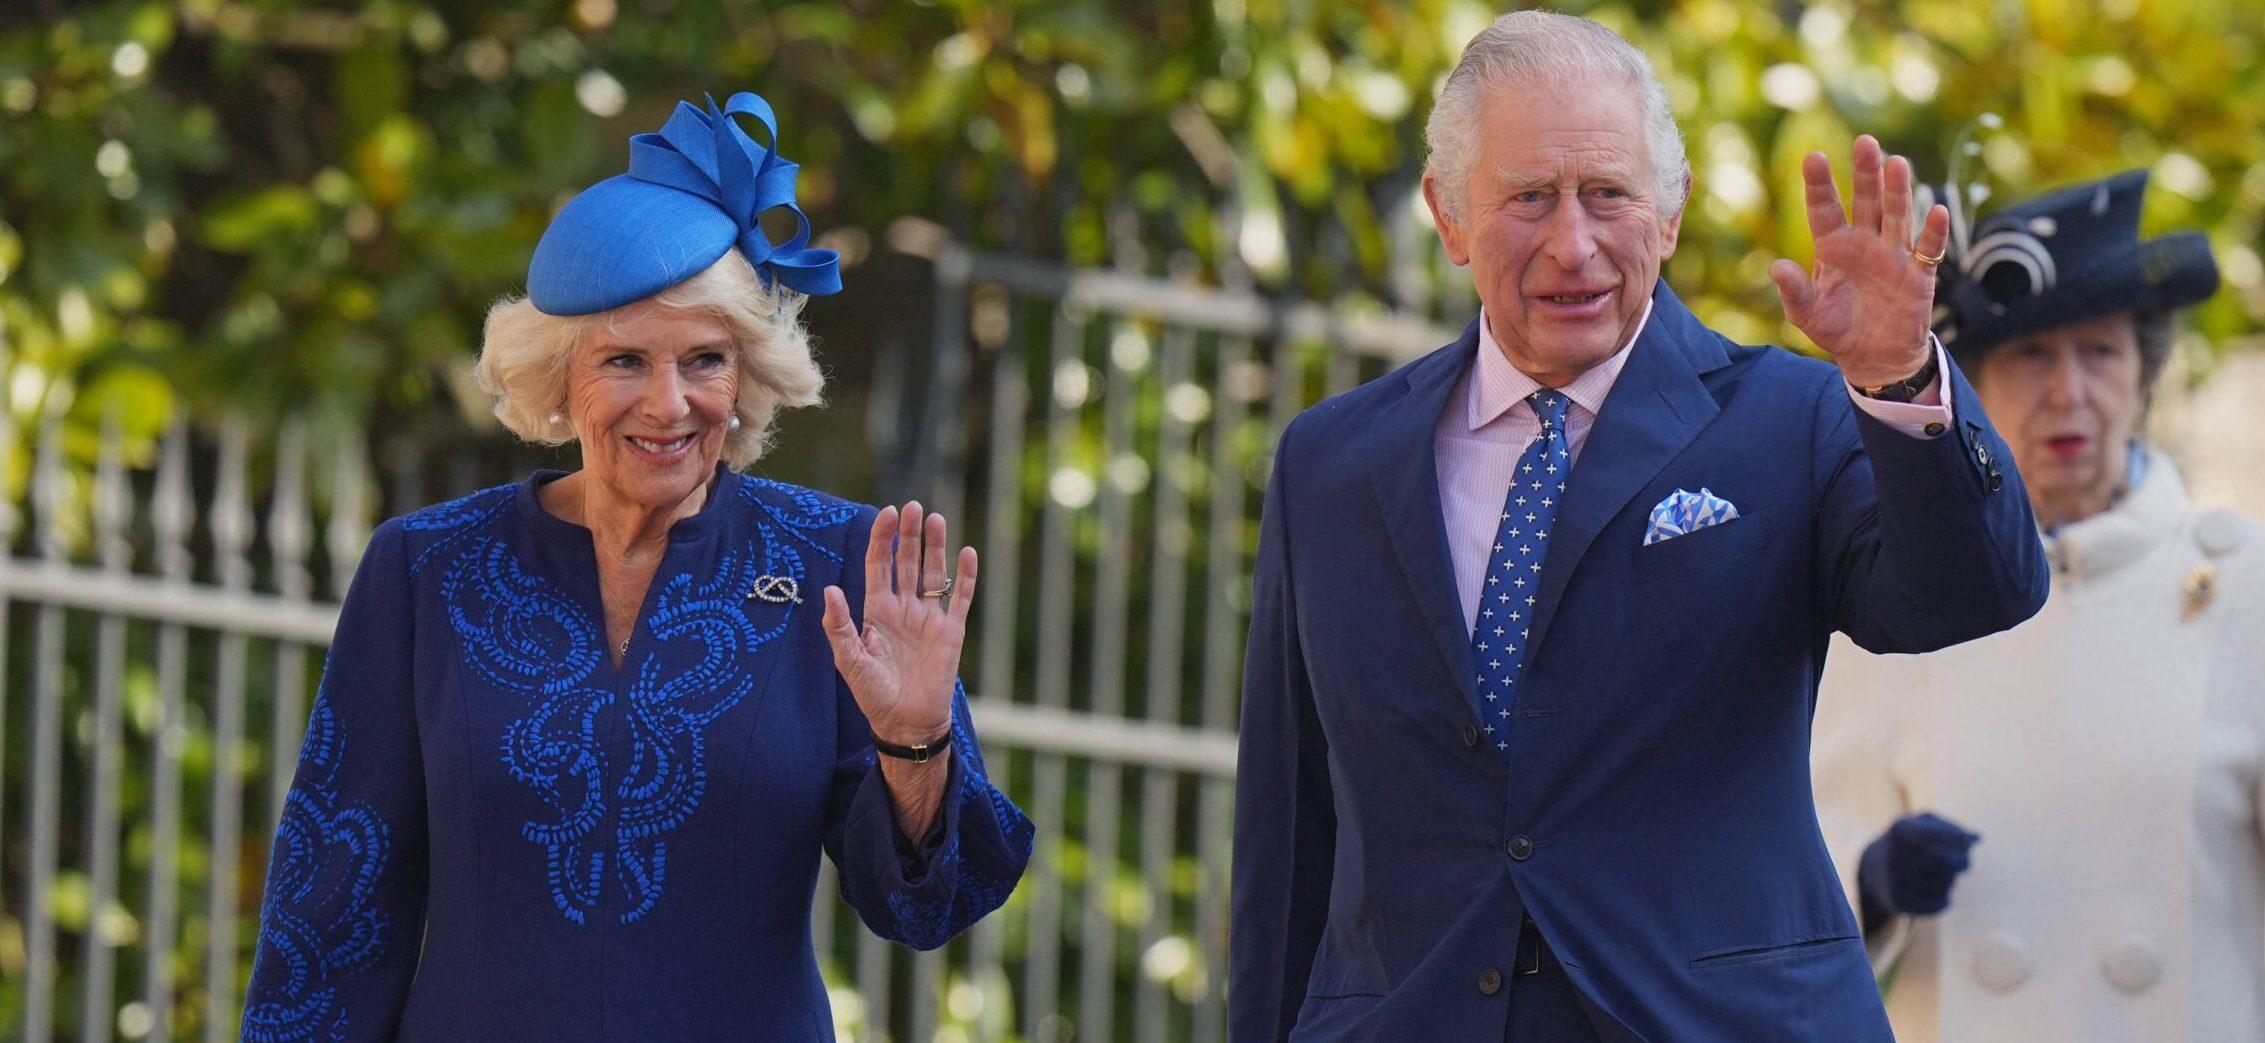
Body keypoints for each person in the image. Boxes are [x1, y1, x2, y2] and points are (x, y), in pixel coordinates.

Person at [1231, 11, 2051, 1040]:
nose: (1572, 244)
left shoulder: (1789, 419)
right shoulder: (1332, 463)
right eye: (1529, 197)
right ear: (1449, 215)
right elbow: (1288, 828)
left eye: (1608, 195)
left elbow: (1976, 591)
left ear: (1668, 213)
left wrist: (1898, 378)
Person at [238, 91, 1032, 1041]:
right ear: (558, 378)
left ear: (746, 377)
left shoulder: (838, 564)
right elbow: (331, 913)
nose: (669, 403)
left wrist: (915, 745)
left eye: (704, 360)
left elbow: (925, 908)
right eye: (623, 362)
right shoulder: (427, 570)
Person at [1812, 169, 2260, 1041]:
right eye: (2030, 355)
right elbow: (1799, 867)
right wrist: (1873, 881)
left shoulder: (2245, 583)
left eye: (2099, 353)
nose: (2068, 392)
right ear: (1973, 382)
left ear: (2143, 376)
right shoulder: (1894, 595)